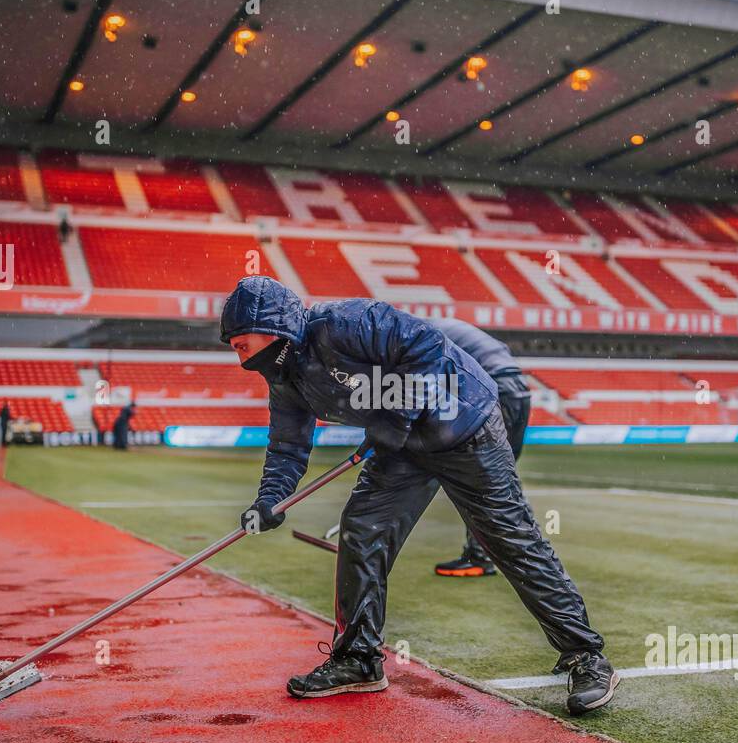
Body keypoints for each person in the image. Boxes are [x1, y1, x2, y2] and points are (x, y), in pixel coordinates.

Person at [220, 276, 617, 716]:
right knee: (362, 529)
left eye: (240, 343)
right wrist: (269, 499)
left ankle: (586, 655)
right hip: (404, 445)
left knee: (509, 539)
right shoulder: (285, 380)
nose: (238, 354)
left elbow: (426, 346)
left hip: (465, 429)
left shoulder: (345, 323)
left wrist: (395, 414)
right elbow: (287, 447)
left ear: (271, 327)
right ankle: (358, 659)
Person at [427, 317, 531, 578]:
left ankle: (483, 556)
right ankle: (523, 555)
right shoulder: (441, 327)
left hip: (491, 389)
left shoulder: (416, 336)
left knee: (482, 478)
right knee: (500, 478)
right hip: (516, 388)